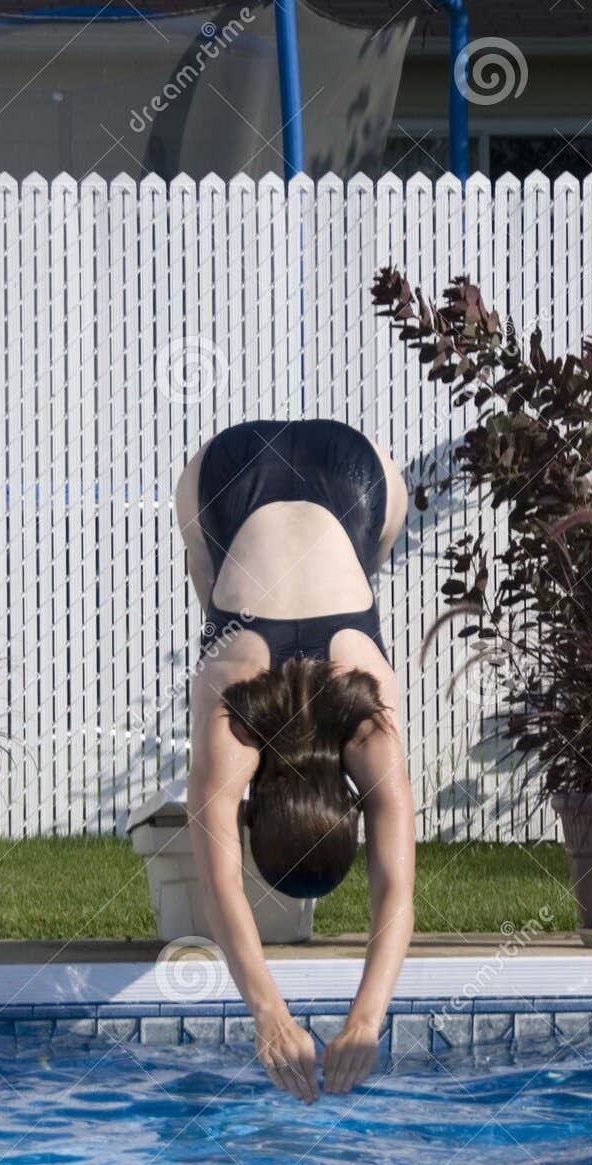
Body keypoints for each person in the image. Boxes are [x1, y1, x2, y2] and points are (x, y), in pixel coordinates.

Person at [175, 419, 414, 1103]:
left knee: (332, 574)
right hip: (224, 472)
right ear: (254, 808)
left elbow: (397, 891)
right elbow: (220, 888)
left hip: (359, 467)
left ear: (349, 802)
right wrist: (271, 1018)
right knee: (221, 603)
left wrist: (364, 1020)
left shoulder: (368, 716)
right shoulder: (231, 714)